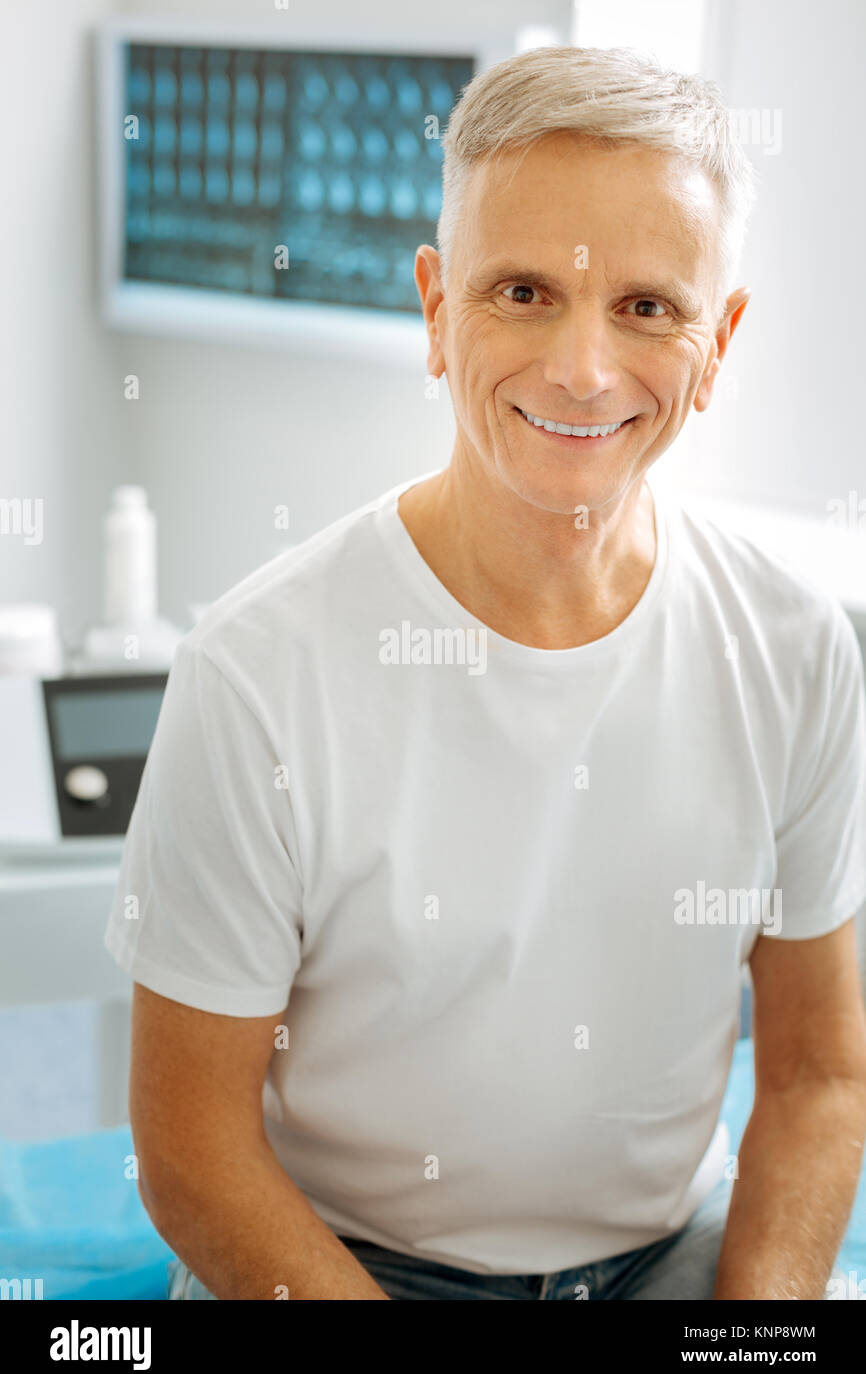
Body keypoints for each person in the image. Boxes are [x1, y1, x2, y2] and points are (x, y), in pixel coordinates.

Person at [105, 46, 866, 1301]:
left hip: (664, 1260)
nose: (580, 369)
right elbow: (191, 1152)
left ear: (716, 341)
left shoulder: (793, 650)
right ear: (433, 306)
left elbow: (814, 1075)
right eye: (521, 291)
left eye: (645, 306)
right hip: (344, 1267)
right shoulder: (257, 675)